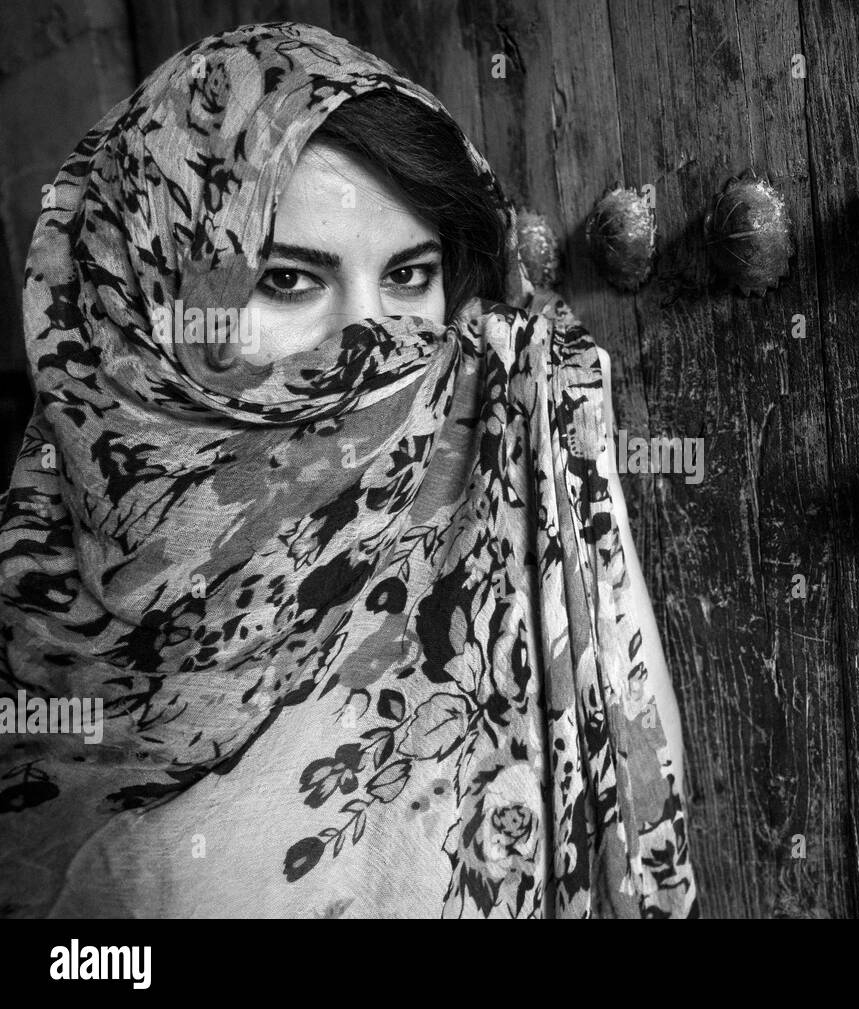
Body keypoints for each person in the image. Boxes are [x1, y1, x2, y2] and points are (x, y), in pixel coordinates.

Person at [0, 21, 697, 918]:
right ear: (144, 310)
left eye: (410, 276)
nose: (373, 343)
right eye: (289, 281)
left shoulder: (509, 449)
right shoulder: (45, 625)